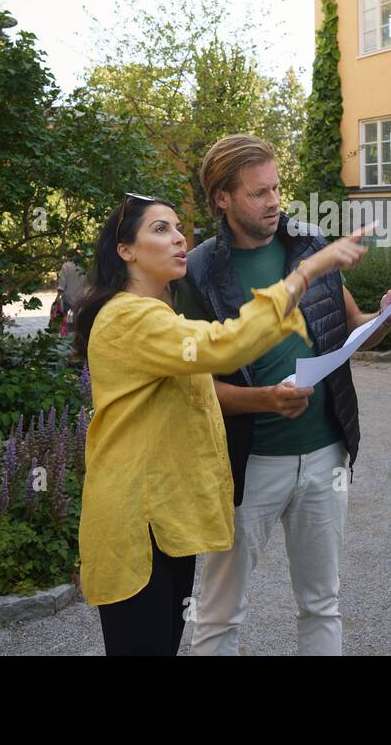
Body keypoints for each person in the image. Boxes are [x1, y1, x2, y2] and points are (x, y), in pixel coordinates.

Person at [75, 191, 370, 656]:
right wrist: (309, 271)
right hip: (135, 523)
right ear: (125, 251)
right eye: (159, 229)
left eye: (177, 228)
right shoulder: (128, 318)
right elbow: (226, 346)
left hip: (163, 519)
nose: (177, 239)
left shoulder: (158, 314)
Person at [179, 135, 391, 656]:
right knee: (219, 614)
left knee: (322, 603)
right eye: (259, 193)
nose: (274, 202)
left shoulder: (308, 244)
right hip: (248, 461)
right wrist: (264, 399)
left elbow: (354, 328)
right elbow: (191, 386)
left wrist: (385, 318)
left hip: (327, 450)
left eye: (277, 188)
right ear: (222, 198)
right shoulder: (197, 271)